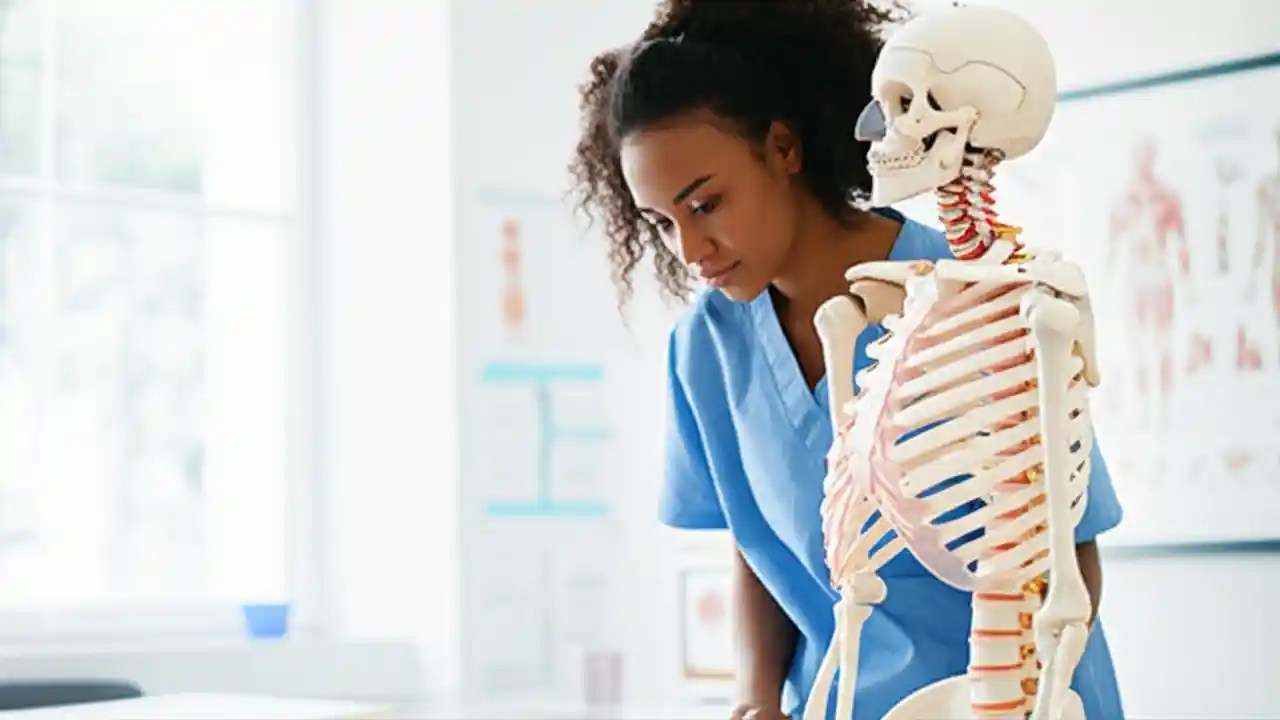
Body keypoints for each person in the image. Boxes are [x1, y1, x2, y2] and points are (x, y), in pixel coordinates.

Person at [568, 2, 1126, 718]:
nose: (688, 249)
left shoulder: (979, 287)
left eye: (705, 204)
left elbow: (1071, 550)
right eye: (660, 223)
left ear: (782, 148)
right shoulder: (706, 348)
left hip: (1025, 699)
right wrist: (756, 695)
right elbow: (756, 543)